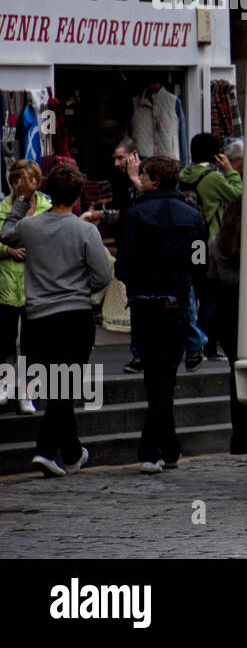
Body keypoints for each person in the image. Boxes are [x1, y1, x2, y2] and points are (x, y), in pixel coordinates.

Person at [0, 162, 112, 476]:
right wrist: (81, 289)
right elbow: (103, 275)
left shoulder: (30, 227)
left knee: (55, 387)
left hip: (38, 319)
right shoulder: (85, 229)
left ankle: (73, 453)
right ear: (77, 196)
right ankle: (46, 451)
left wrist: (22, 200)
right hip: (74, 317)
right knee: (66, 386)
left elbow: (6, 233)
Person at [115, 157, 207, 474]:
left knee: (156, 377)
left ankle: (152, 449)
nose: (138, 178)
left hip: (144, 302)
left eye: (142, 174)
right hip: (175, 302)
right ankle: (167, 447)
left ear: (154, 180)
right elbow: (200, 263)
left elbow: (123, 265)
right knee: (165, 376)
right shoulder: (193, 216)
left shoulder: (135, 214)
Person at [82, 136, 146, 373]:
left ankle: (193, 344)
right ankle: (140, 354)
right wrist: (102, 215)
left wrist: (134, 178)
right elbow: (124, 213)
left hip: (144, 252)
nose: (117, 163)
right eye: (115, 159)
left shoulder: (146, 175)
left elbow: (150, 207)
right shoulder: (120, 181)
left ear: (133, 155)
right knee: (137, 303)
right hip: (129, 249)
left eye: (121, 158)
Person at [179, 133, 242, 370]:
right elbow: (238, 196)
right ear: (216, 154)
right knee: (210, 294)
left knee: (194, 288)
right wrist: (231, 171)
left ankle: (196, 339)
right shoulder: (213, 177)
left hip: (190, 242)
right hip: (208, 241)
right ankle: (207, 343)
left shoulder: (183, 175)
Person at [0, 161, 52, 413]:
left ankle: (27, 394)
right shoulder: (2, 208)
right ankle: (6, 384)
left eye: (25, 180)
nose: (20, 186)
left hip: (36, 286)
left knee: (34, 343)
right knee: (6, 339)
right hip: (7, 285)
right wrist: (6, 249)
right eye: (16, 180)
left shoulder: (47, 208)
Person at [208, 202, 247, 454]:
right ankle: (243, 437)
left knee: (235, 375)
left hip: (227, 316)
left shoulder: (215, 243)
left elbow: (211, 279)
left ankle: (240, 438)